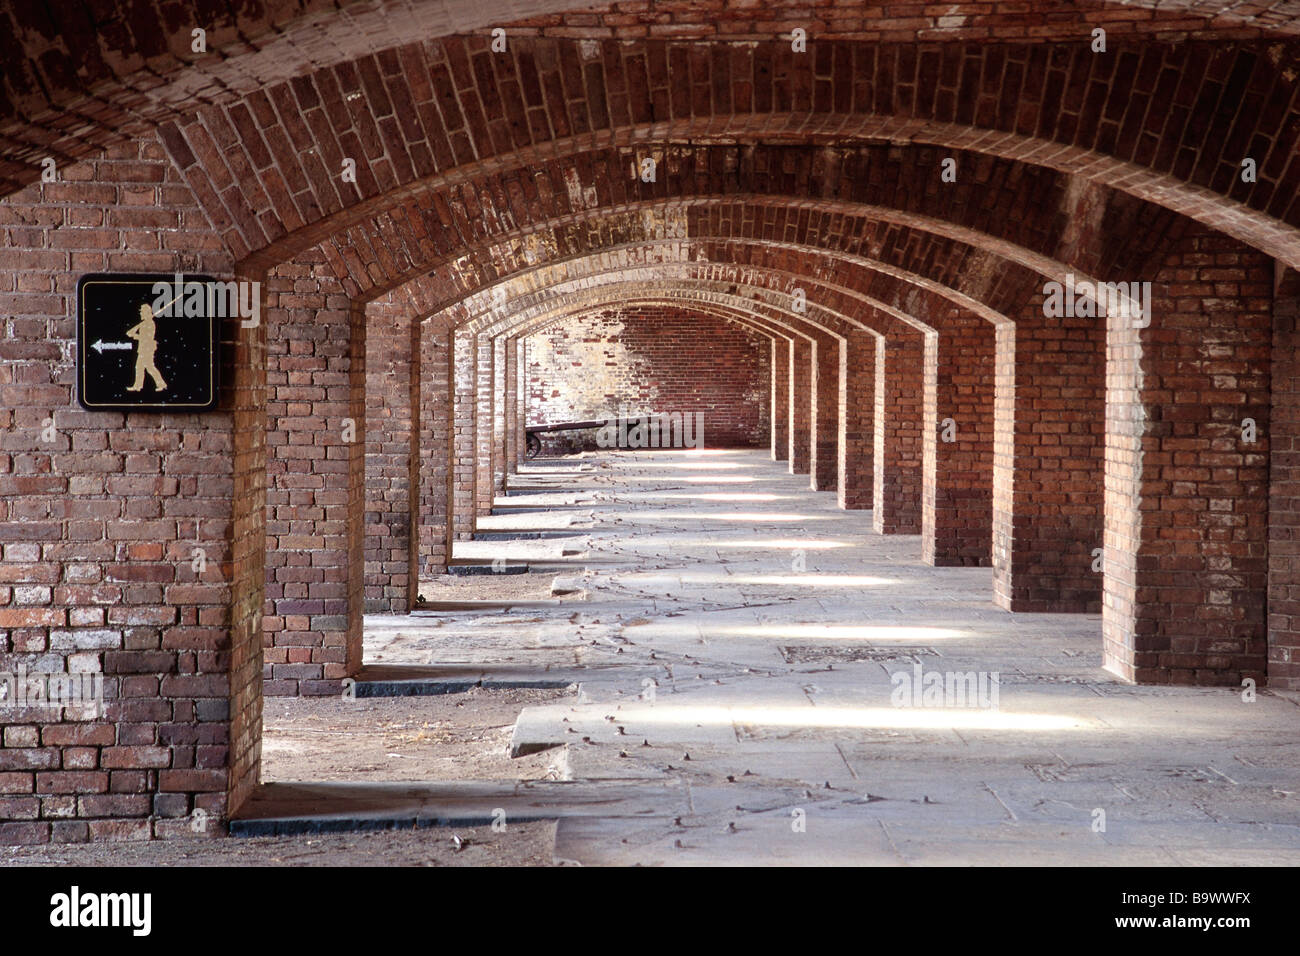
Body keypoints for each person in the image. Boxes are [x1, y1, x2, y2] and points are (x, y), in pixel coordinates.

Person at [124, 303, 167, 392]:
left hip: (147, 349)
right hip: (143, 349)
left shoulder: (150, 324)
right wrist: (133, 332)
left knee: (149, 368)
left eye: (142, 312)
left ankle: (161, 385)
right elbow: (138, 334)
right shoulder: (143, 323)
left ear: (147, 313)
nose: (140, 314)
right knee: (140, 367)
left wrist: (134, 335)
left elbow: (147, 337)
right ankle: (138, 386)